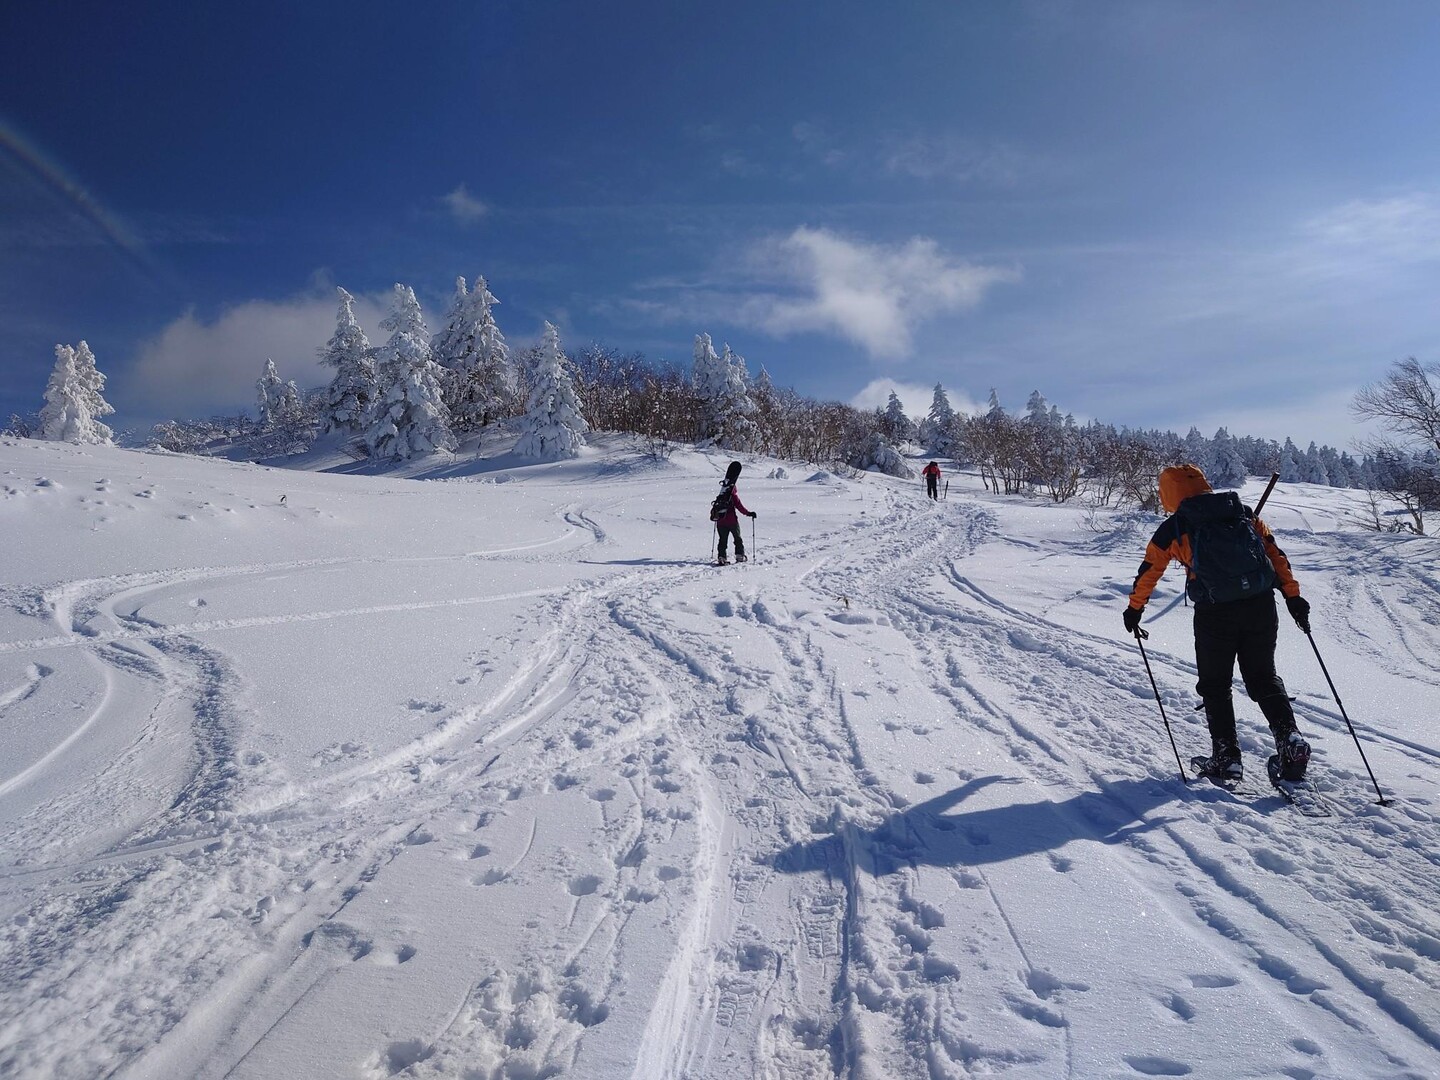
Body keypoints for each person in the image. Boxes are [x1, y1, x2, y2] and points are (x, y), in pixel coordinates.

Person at [1123, 464, 1313, 783]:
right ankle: (1289, 740)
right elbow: (1275, 555)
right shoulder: (1242, 512)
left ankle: (1226, 758)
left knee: (1216, 684)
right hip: (1261, 606)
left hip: (1215, 613)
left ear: (1169, 493)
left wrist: (1134, 609)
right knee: (1263, 676)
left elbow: (1149, 570)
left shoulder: (1175, 527)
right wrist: (1293, 597)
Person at [713, 460, 756, 565]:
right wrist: (749, 513)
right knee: (737, 539)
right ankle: (739, 555)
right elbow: (740, 507)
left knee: (722, 541)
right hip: (732, 522)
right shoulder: (733, 497)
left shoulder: (721, 495)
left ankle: (721, 557)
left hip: (720, 521)